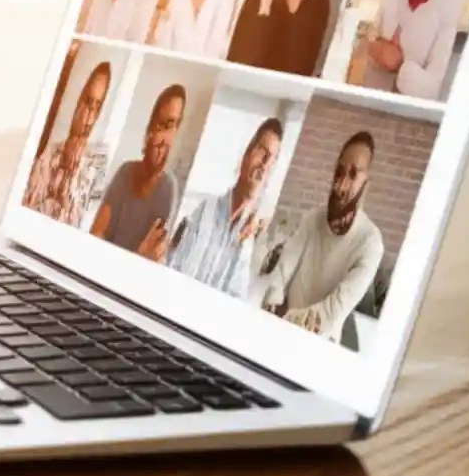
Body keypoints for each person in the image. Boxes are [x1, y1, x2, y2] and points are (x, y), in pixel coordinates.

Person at [261, 132, 385, 347]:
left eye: (353, 174)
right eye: (339, 171)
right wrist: (273, 304)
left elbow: (331, 313)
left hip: (318, 348)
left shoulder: (370, 243)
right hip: (275, 334)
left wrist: (284, 322)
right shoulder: (312, 219)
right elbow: (281, 274)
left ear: (366, 184)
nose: (341, 184)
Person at [152, 117, 282, 299]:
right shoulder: (202, 211)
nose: (265, 163)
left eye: (272, 159)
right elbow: (171, 271)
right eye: (262, 151)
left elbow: (236, 302)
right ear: (246, 155)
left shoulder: (249, 242)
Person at [90, 84, 186, 252]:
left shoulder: (168, 188)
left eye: (171, 126)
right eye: (160, 126)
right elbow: (97, 232)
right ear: (150, 129)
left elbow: (150, 254)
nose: (162, 137)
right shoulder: (125, 172)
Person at [23, 62, 112, 227]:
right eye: (87, 102)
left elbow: (82, 228)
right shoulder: (49, 154)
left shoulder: (98, 168)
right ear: (78, 103)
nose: (87, 117)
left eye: (96, 108)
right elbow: (26, 208)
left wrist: (73, 174)